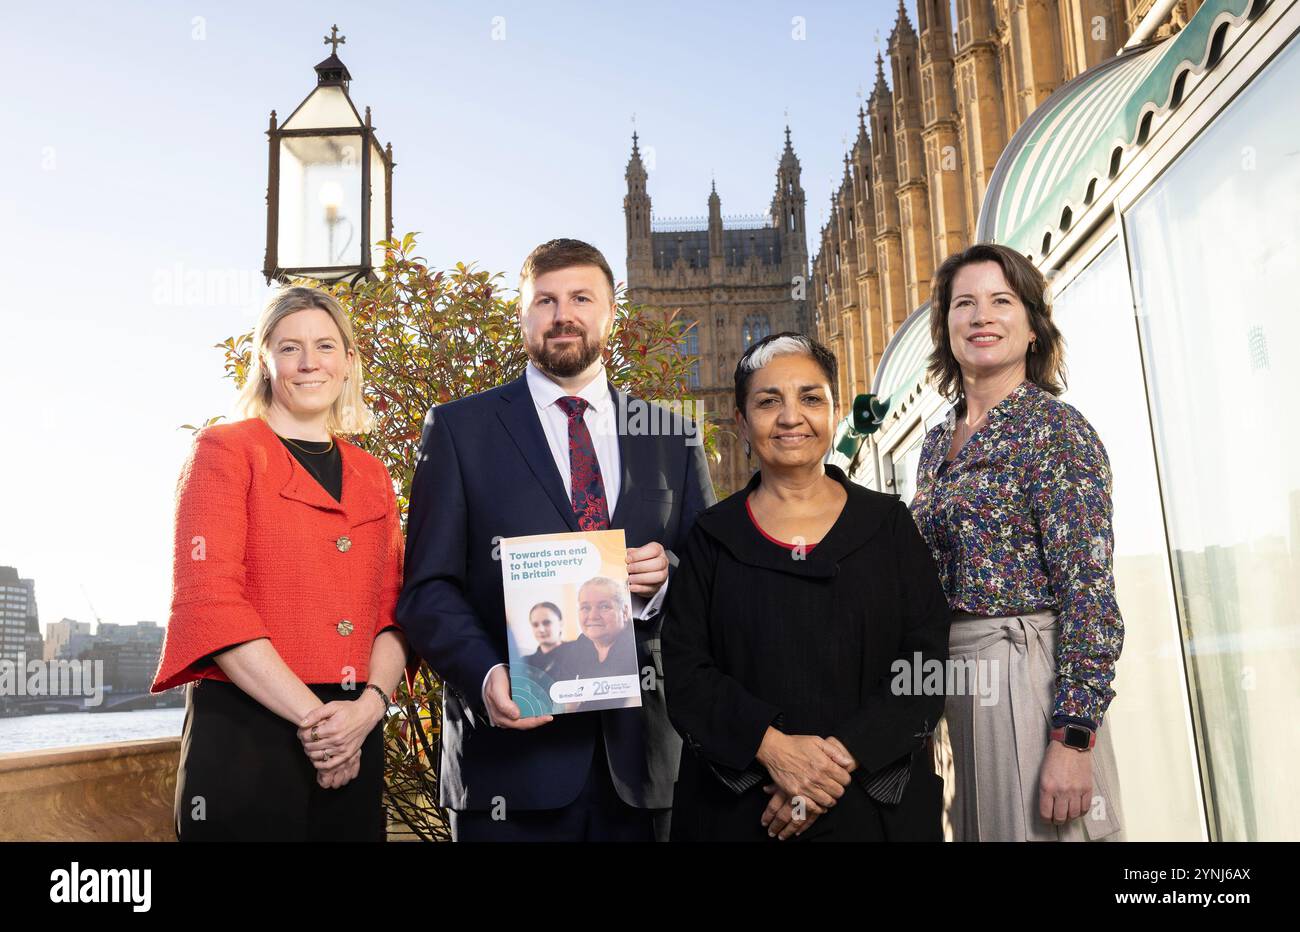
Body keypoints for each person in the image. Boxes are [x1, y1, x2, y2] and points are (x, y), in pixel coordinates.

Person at [398, 238, 715, 841]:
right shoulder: (460, 430)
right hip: (507, 772)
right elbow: (427, 590)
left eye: (579, 297)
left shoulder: (673, 436)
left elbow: (711, 580)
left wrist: (665, 578)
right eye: (544, 300)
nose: (562, 314)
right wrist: (488, 675)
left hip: (645, 772)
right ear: (522, 315)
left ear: (610, 313)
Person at [661, 333, 951, 842]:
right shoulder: (711, 536)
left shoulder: (888, 525)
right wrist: (773, 751)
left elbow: (925, 665)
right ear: (741, 423)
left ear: (834, 411)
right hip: (739, 810)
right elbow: (686, 675)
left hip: (873, 805)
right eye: (769, 401)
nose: (791, 417)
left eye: (810, 398)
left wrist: (827, 769)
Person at [150, 286, 413, 842]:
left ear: (348, 361)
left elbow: (395, 612)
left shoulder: (373, 475)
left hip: (356, 732)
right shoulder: (223, 451)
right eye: (290, 347)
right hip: (248, 736)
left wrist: (367, 711)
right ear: (265, 360)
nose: (309, 362)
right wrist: (323, 726)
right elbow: (211, 604)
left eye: (325, 345)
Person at [908, 243, 1125, 841]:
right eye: (965, 303)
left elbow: (1089, 594)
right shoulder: (935, 442)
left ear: (1032, 326)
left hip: (1025, 681)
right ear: (946, 326)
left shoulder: (1056, 431)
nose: (982, 316)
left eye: (1001, 301)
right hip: (956, 690)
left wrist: (1073, 738)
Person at [548, 577, 639, 711]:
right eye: (585, 607)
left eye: (604, 606)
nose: (593, 616)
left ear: (624, 612)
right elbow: (559, 688)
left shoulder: (637, 645)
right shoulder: (582, 642)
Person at [524, 601, 566, 677]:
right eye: (535, 625)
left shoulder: (576, 652)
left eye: (547, 623)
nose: (541, 629)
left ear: (561, 624)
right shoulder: (524, 663)